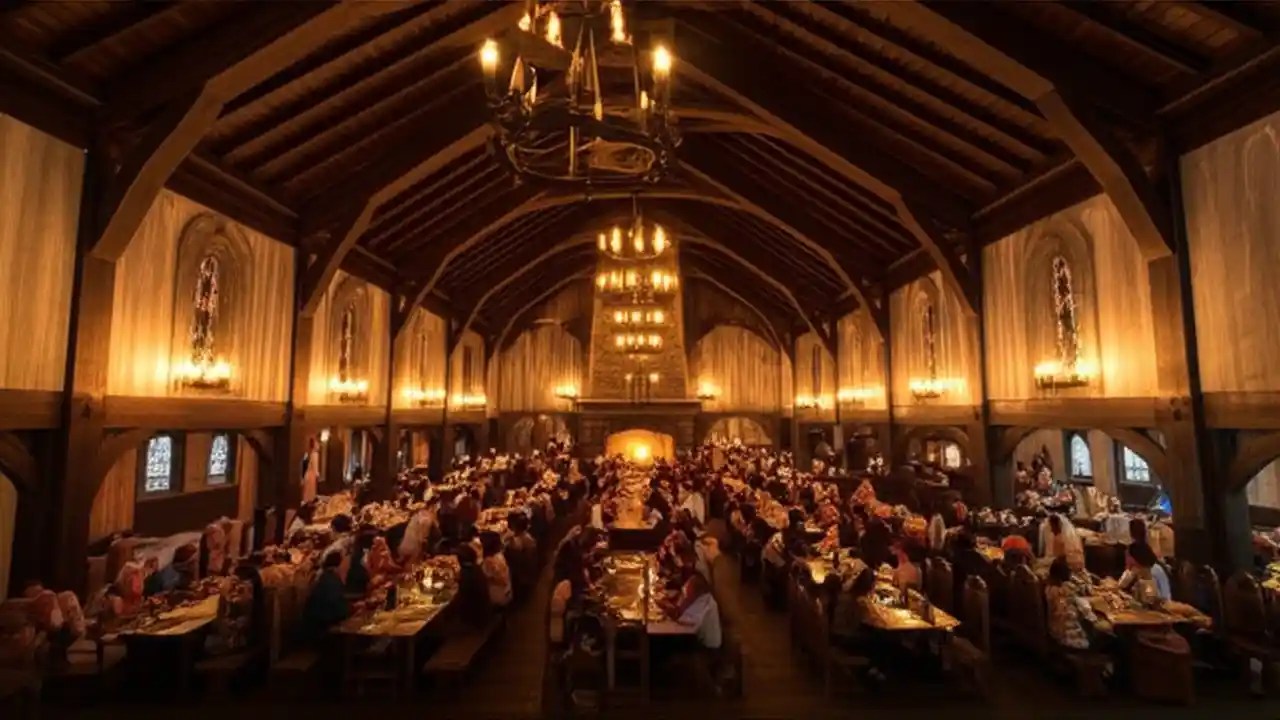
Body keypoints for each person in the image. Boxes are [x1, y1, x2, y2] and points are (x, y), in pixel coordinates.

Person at [1044, 557, 1108, 651]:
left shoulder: (1050, 589)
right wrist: (1097, 616)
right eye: (1069, 569)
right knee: (1113, 639)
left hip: (1058, 635)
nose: (1071, 571)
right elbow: (1087, 614)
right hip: (1073, 640)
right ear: (1064, 573)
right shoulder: (1064, 591)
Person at [301, 549, 351, 642]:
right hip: (321, 632)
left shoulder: (328, 578)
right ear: (337, 566)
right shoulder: (331, 582)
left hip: (320, 627)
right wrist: (351, 609)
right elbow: (338, 611)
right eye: (345, 564)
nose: (347, 567)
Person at [456, 544, 493, 628]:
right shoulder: (476, 568)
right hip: (484, 609)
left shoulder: (467, 573)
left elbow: (462, 596)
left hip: (477, 616)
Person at [479, 531, 513, 608]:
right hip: (507, 590)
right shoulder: (499, 555)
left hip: (499, 595)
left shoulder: (489, 561)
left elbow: (486, 577)